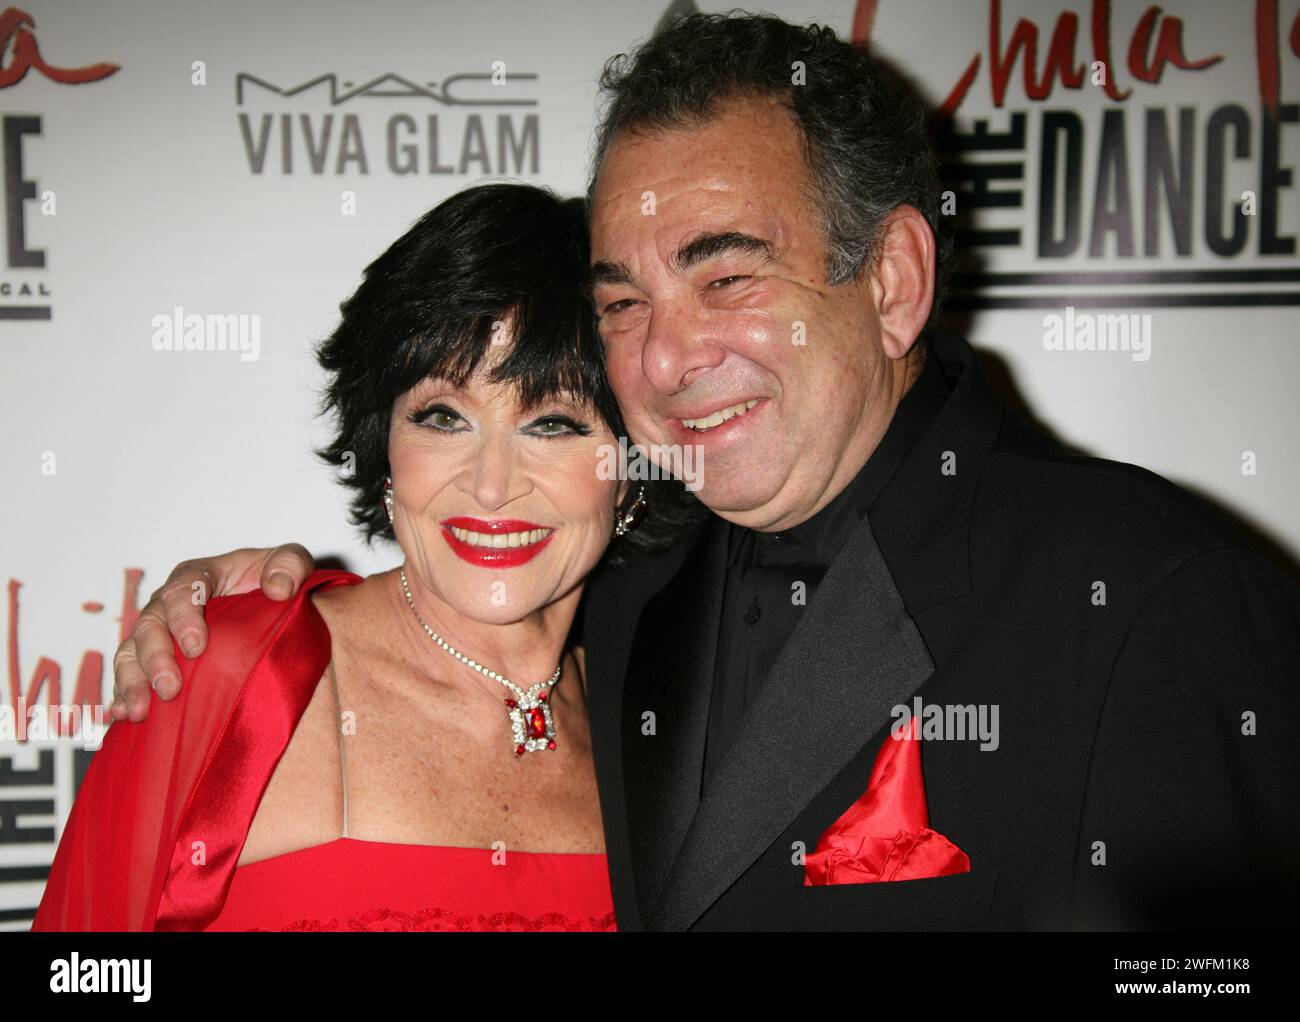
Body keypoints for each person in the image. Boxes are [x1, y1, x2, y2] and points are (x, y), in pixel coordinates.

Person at [106, 13, 1300, 930]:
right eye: (624, 301)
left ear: (890, 282)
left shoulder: (1149, 599)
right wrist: (245, 606)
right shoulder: (622, 592)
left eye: (727, 277)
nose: (669, 356)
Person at [34, 182, 692, 931]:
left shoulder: (663, 721)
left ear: (632, 470)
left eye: (553, 424)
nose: (491, 484)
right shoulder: (228, 671)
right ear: (386, 450)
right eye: (444, 417)